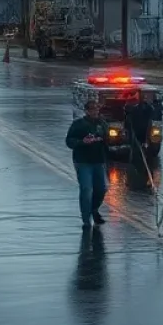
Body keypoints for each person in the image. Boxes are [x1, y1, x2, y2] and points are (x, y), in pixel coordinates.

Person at [65, 98, 109, 228]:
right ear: (86, 111)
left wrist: (107, 140)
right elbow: (69, 141)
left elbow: (108, 137)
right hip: (83, 161)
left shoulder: (102, 123)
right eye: (92, 109)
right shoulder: (78, 124)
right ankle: (86, 218)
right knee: (87, 189)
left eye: (97, 109)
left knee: (101, 189)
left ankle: (94, 209)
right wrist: (82, 142)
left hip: (98, 160)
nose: (95, 112)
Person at [124, 89, 155, 176]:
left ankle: (147, 175)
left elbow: (149, 122)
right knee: (135, 155)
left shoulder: (148, 108)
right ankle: (138, 172)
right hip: (135, 135)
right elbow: (128, 123)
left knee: (148, 156)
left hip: (145, 135)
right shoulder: (132, 109)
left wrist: (146, 140)